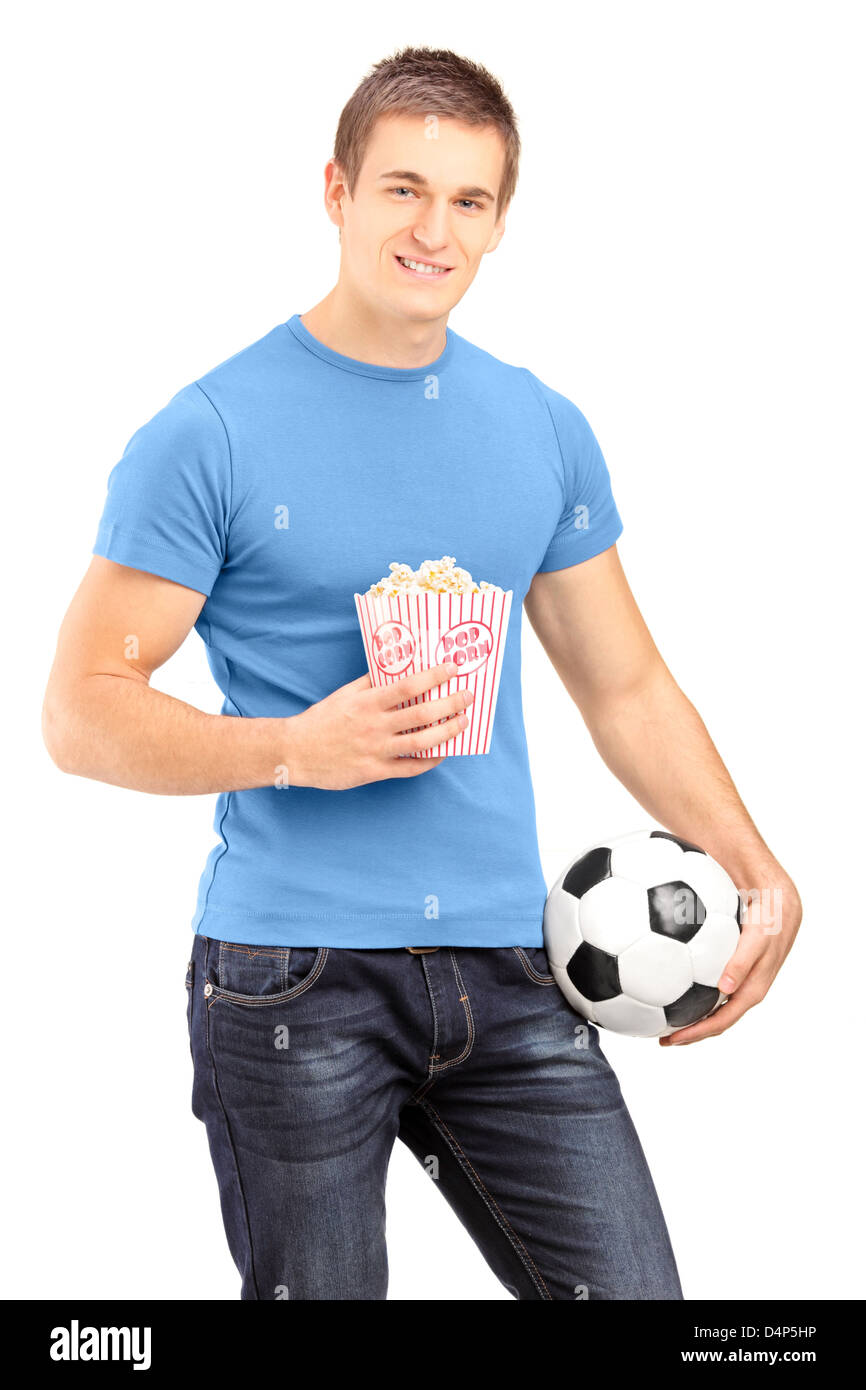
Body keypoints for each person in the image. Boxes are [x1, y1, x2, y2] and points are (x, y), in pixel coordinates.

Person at [42, 45, 802, 1301]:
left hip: (513, 971)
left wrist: (755, 865)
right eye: (401, 188)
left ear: (501, 222)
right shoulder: (210, 431)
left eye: (466, 200)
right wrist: (292, 747)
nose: (430, 229)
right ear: (334, 191)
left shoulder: (540, 427)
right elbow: (80, 711)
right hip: (292, 980)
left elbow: (624, 686)